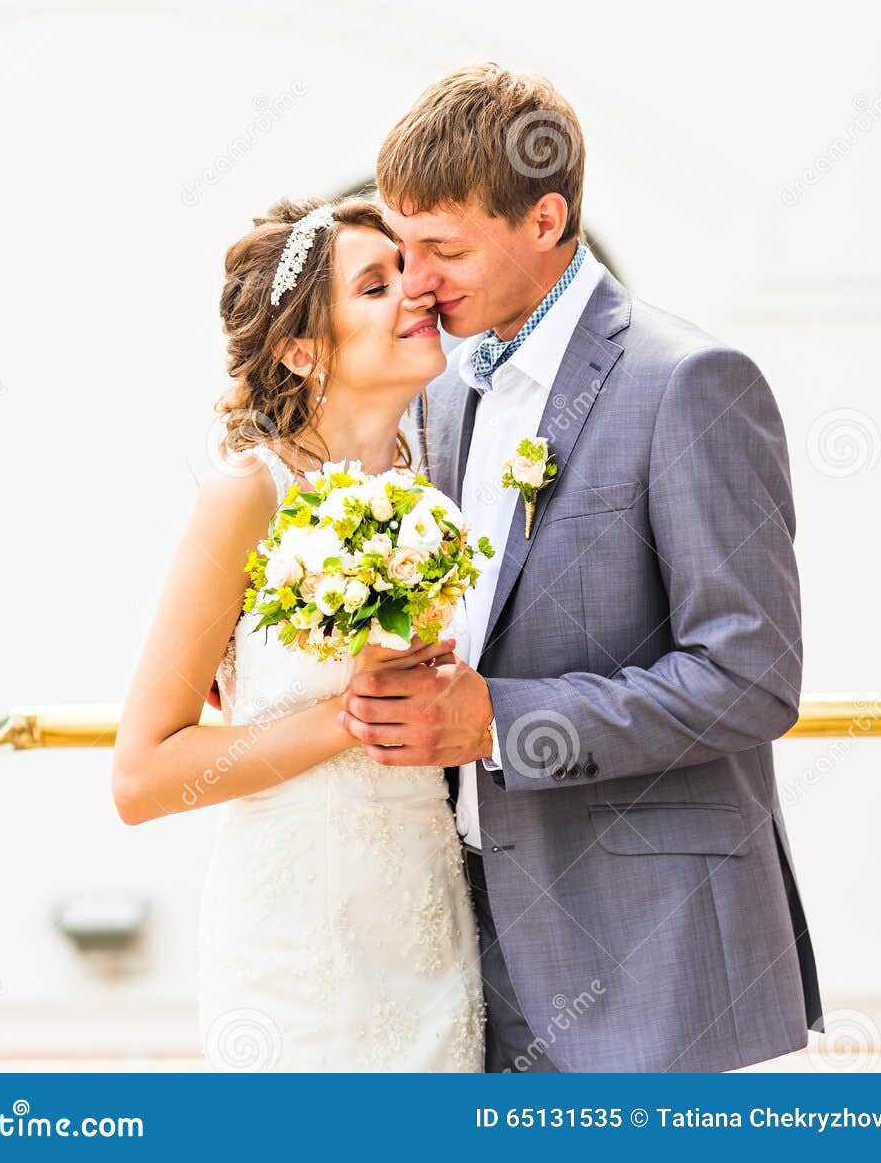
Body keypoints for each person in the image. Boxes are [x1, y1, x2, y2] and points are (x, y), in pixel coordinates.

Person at [339, 62, 824, 1074]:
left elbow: (749, 676)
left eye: (444, 248)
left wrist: (501, 724)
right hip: (468, 948)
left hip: (654, 958)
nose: (418, 279)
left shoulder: (688, 384)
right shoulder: (440, 394)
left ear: (546, 218)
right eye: (403, 247)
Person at [112, 196, 484, 1072]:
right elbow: (140, 775)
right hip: (294, 950)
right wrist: (345, 719)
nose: (415, 291)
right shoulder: (247, 492)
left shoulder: (445, 479)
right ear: (301, 348)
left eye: (409, 270)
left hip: (432, 924)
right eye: (374, 284)